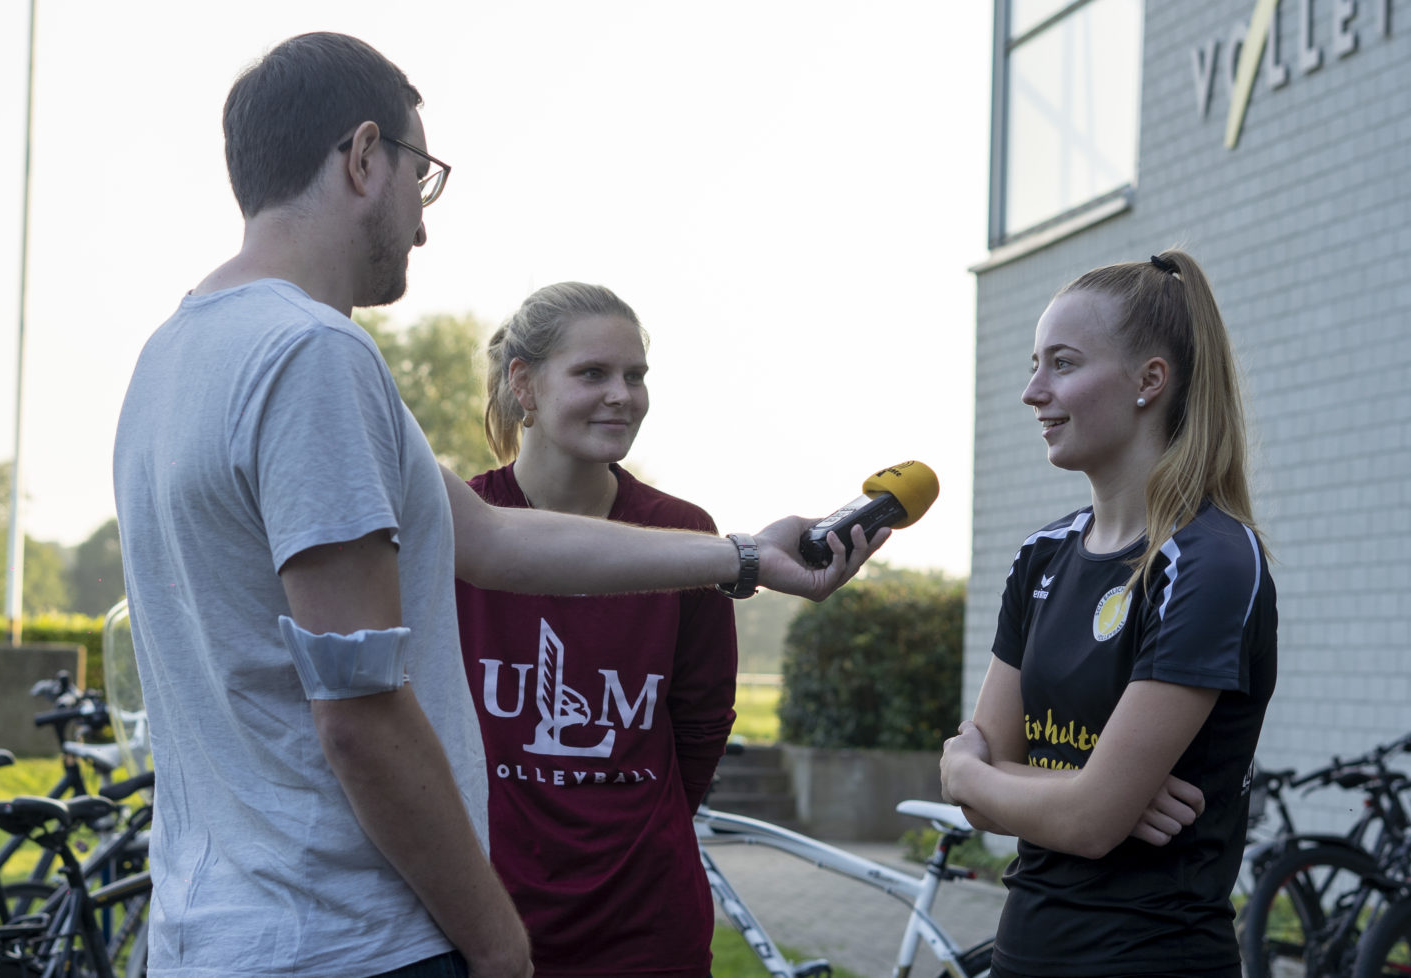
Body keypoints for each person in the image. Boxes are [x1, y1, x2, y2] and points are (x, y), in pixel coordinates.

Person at [112, 32, 882, 978]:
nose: (423, 226)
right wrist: (496, 938)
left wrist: (748, 559)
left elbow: (483, 538)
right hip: (345, 945)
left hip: (205, 937)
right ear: (361, 156)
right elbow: (359, 711)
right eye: (420, 176)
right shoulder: (313, 357)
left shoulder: (172, 355)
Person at [938, 251, 1277, 978]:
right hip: (1023, 952)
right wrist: (1065, 788)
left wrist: (971, 772)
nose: (1034, 391)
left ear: (1149, 381)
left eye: (1061, 364)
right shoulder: (1044, 556)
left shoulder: (1211, 561)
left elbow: (1087, 825)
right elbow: (1011, 796)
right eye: (1035, 364)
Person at [454, 282, 735, 977]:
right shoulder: (455, 526)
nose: (622, 395)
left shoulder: (684, 534)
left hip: (645, 925)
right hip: (484, 913)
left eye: (635, 376)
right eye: (593, 373)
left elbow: (701, 720)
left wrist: (643, 827)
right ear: (524, 383)